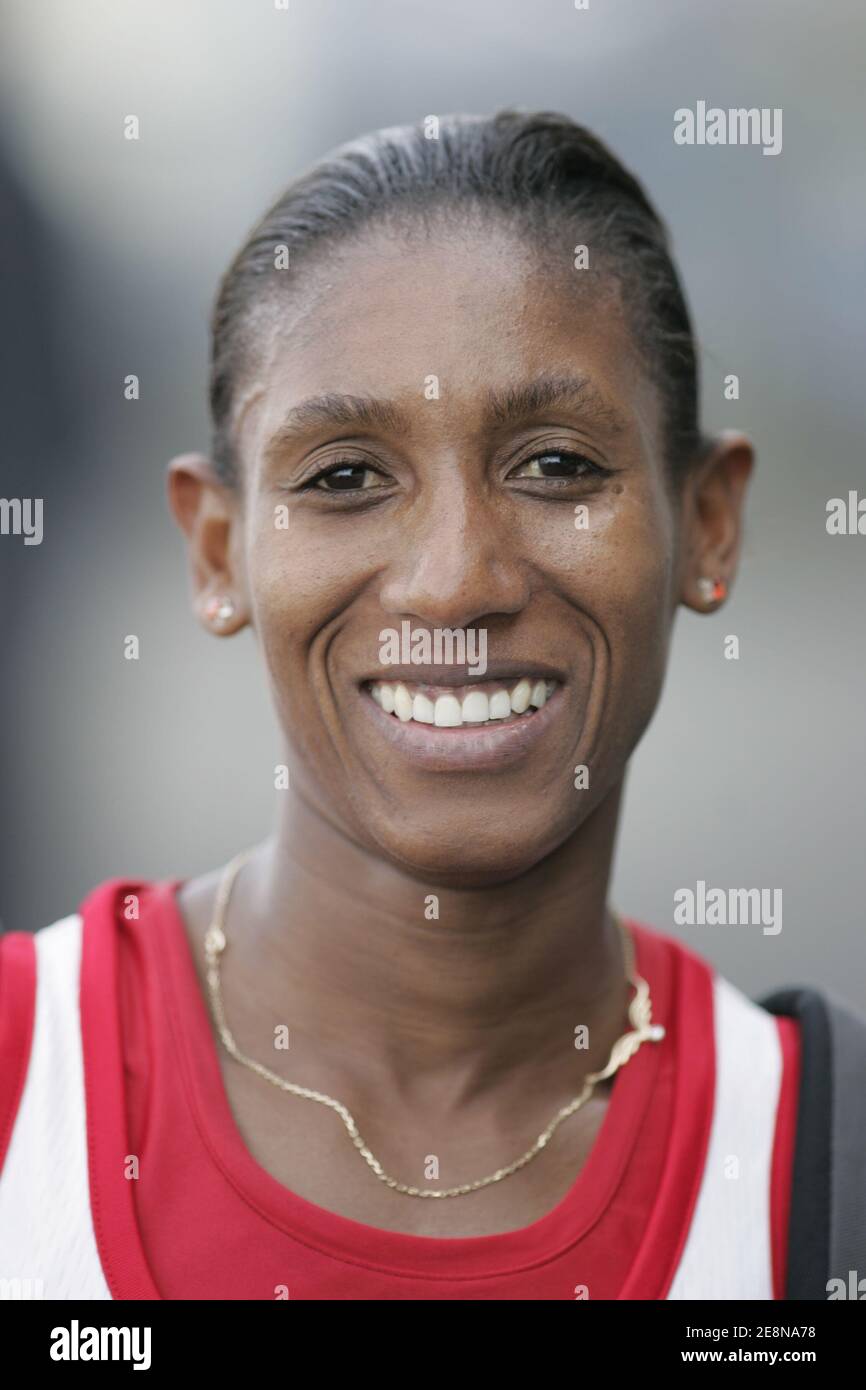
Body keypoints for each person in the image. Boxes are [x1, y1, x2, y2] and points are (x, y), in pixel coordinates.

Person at [1, 110, 863, 1302]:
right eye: (345, 477)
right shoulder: (21, 1084)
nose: (454, 580)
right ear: (216, 551)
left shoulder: (821, 1164)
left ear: (706, 525)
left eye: (556, 463)